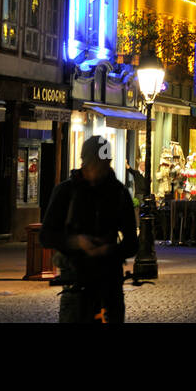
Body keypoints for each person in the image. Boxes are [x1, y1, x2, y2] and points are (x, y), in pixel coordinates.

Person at [41, 135, 139, 324]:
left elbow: (131, 243)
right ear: (85, 162)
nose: (99, 171)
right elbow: (46, 236)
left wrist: (109, 250)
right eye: (95, 164)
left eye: (104, 164)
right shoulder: (66, 192)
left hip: (108, 285)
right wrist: (76, 242)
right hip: (75, 282)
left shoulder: (118, 193)